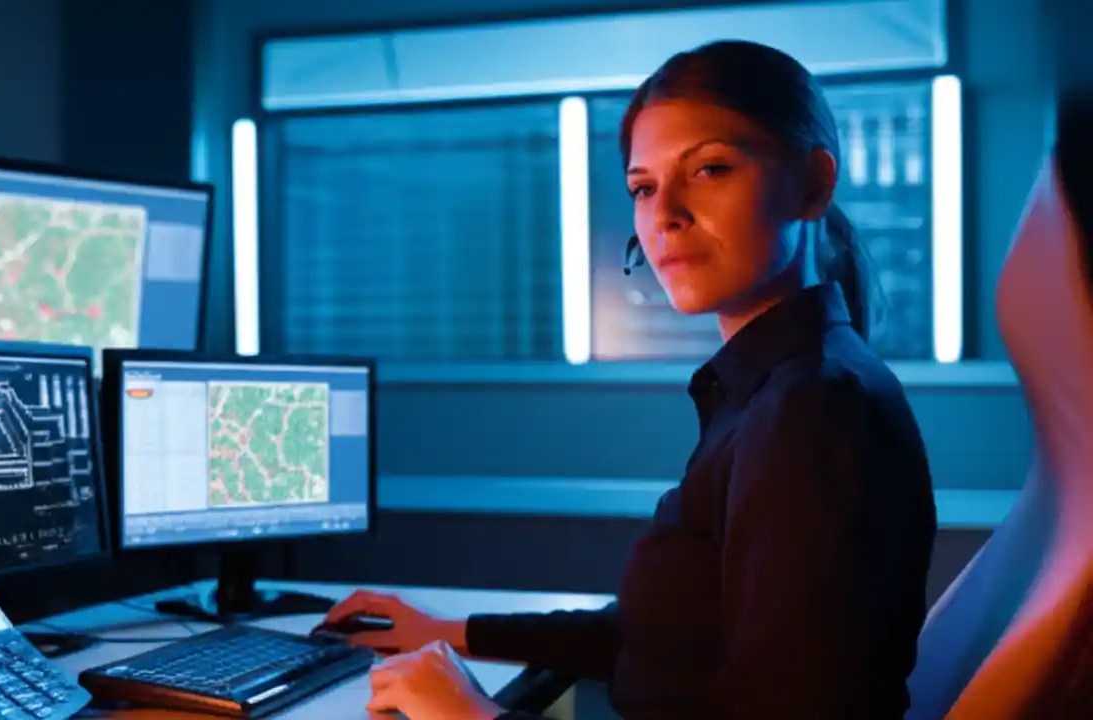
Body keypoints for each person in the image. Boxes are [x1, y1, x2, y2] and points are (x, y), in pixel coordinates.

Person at [323, 39, 938, 719]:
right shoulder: (772, 390)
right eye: (643, 187)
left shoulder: (816, 409)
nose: (664, 214)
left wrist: (471, 713)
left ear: (813, 185)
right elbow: (663, 634)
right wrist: (447, 634)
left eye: (709, 169)